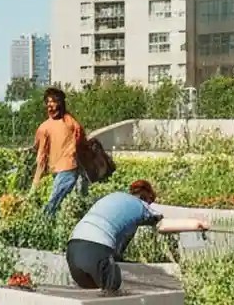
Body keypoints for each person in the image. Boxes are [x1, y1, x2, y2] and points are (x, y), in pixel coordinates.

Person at [66, 180, 209, 294]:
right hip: (96, 249)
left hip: (72, 250)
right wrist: (197, 224)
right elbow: (163, 225)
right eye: (151, 202)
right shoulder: (140, 206)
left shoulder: (114, 197)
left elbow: (117, 247)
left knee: (91, 296)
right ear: (147, 197)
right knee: (113, 296)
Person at [31, 87, 86, 216]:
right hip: (70, 171)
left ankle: (43, 224)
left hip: (66, 170)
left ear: (60, 104)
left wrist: (35, 184)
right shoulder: (71, 122)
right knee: (67, 207)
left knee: (51, 208)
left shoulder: (47, 127)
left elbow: (41, 158)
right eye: (48, 103)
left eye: (54, 102)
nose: (50, 106)